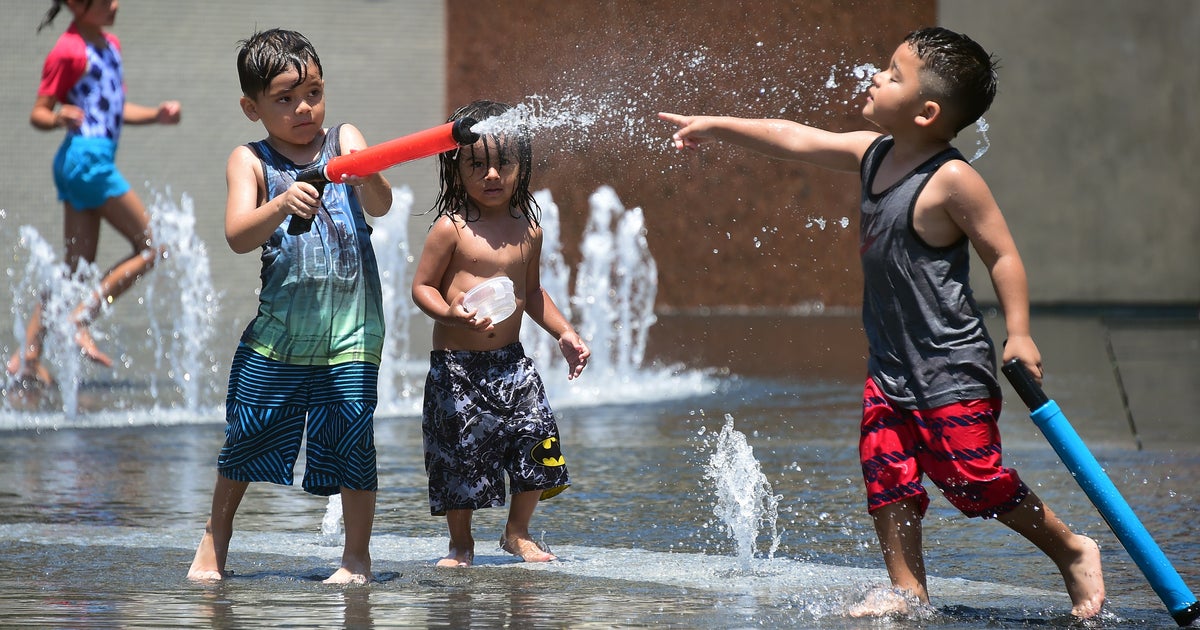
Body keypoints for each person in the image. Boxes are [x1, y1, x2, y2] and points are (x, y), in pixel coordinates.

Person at [660, 27, 1105, 619]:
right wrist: (718, 125)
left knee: (973, 478)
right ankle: (906, 589)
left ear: (926, 112)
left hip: (950, 365)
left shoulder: (951, 179)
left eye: (893, 74)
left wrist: (1019, 331)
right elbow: (795, 138)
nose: (875, 76)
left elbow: (1003, 255)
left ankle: (1071, 549)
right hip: (891, 364)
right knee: (886, 472)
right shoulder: (873, 155)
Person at [187, 28, 393, 585]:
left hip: (353, 327)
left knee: (354, 431)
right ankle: (215, 538)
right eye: (285, 99)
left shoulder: (343, 138)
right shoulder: (249, 160)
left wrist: (364, 166)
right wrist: (280, 203)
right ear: (252, 108)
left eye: (313, 93)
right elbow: (236, 234)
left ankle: (356, 558)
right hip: (280, 331)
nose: (304, 108)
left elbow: (382, 202)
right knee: (248, 431)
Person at [411, 99, 590, 568]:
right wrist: (450, 312)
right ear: (457, 169)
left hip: (510, 362)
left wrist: (564, 333)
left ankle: (518, 532)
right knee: (459, 455)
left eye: (502, 163)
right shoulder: (451, 228)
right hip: (457, 367)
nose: (491, 175)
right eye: (477, 164)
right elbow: (421, 287)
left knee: (536, 435)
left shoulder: (527, 229)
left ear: (520, 165)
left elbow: (531, 295)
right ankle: (461, 543)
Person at [7, 0, 181, 385]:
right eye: (104, 1)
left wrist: (155, 115)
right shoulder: (68, 50)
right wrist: (56, 117)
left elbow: (113, 107)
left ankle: (27, 358)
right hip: (87, 163)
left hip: (86, 163)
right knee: (155, 245)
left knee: (73, 270)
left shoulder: (110, 44)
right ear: (75, 4)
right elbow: (39, 111)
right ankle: (79, 319)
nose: (115, 5)